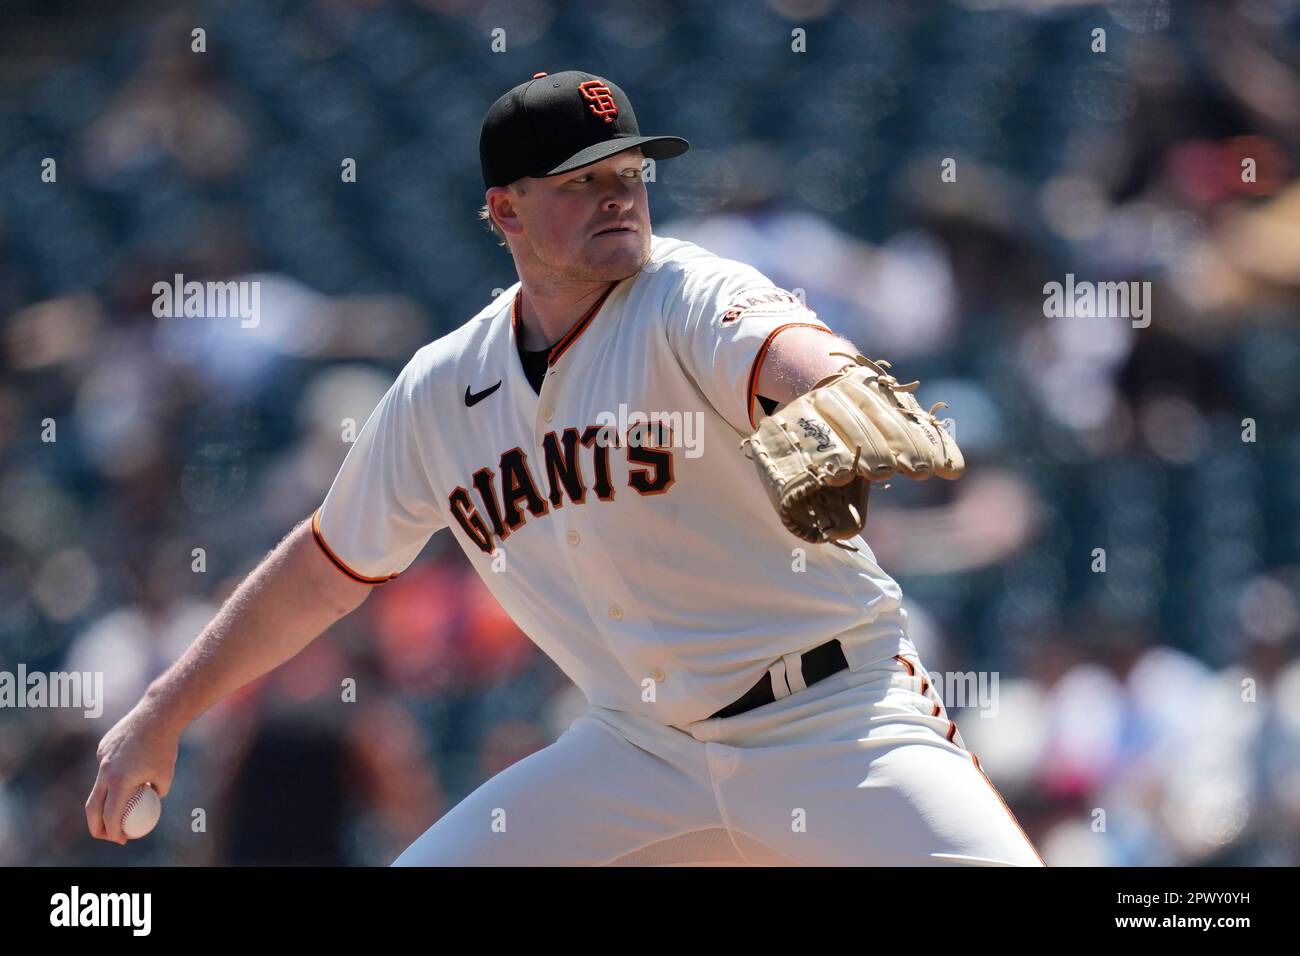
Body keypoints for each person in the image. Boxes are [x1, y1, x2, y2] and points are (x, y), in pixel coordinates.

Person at [88, 70, 1044, 866]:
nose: (620, 193)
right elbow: (323, 569)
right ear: (504, 209)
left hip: (835, 719)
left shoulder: (685, 291)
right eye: (584, 179)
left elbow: (793, 356)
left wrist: (824, 389)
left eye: (630, 171)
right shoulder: (440, 390)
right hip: (640, 748)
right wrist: (164, 712)